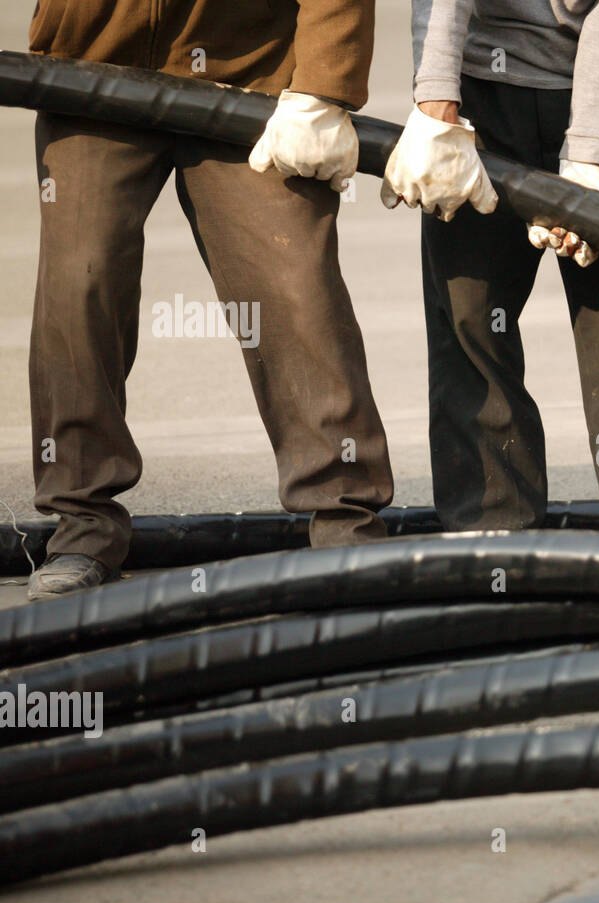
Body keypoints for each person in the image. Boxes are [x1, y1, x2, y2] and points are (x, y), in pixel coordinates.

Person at [25, 0, 394, 600]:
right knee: (79, 285)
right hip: (89, 62)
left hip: (253, 70)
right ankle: (82, 527)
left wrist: (325, 86)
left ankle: (346, 526)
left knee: (299, 292)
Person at [382, 0, 599, 535]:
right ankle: (490, 535)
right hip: (481, 91)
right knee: (471, 321)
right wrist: (435, 103)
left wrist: (590, 155)